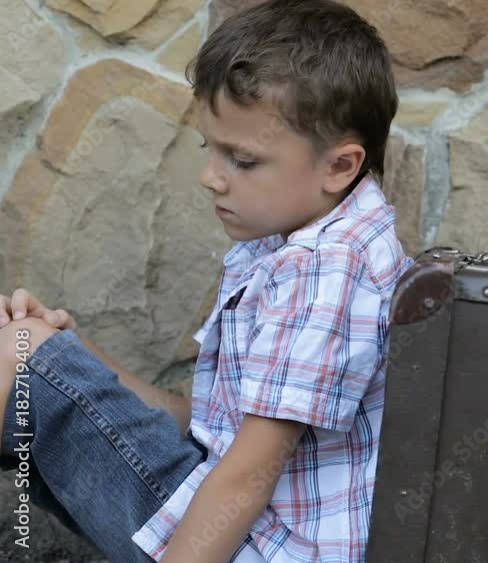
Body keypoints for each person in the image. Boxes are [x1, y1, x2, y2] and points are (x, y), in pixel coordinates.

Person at [0, 1, 410, 561]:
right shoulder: (300, 239)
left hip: (258, 548)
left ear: (339, 166)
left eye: (242, 160)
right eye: (209, 148)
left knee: (18, 356)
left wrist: (43, 362)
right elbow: (212, 427)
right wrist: (73, 354)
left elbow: (246, 477)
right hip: (239, 529)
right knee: (25, 348)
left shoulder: (326, 268)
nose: (210, 177)